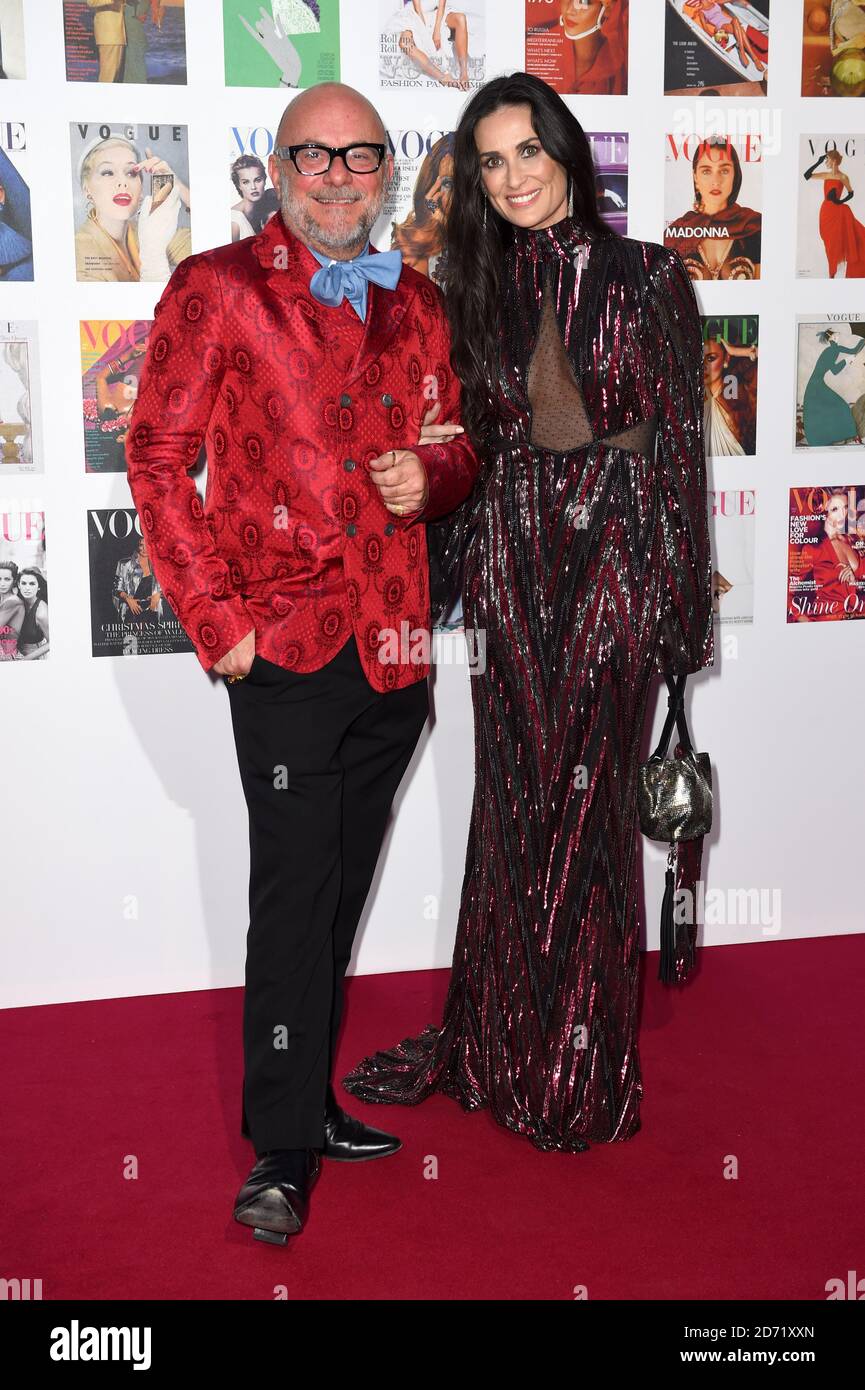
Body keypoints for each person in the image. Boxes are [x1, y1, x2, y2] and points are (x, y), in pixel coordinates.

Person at [125, 81, 479, 1242]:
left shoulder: (419, 301)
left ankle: (309, 1105)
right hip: (277, 646)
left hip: (392, 647)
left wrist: (435, 478)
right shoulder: (216, 289)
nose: (338, 175)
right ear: (275, 169)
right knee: (291, 898)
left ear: (387, 170)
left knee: (337, 889)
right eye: (312, 155)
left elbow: (456, 443)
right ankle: (280, 1147)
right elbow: (156, 453)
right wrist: (212, 615)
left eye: (360, 156)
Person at [342, 71, 714, 1154]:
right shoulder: (471, 292)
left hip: (610, 569)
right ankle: (504, 1040)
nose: (511, 178)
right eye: (490, 161)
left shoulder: (650, 277)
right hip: (511, 567)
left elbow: (678, 454)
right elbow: (467, 449)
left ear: (566, 152)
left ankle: (582, 1059)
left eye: (528, 153)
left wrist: (671, 613)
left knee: (590, 815)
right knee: (510, 806)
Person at [74, 135, 191, 282]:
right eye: (108, 172)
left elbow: (211, 244)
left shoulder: (145, 230)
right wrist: (153, 258)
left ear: (141, 187)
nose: (123, 183)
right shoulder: (78, 253)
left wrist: (177, 184)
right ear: (87, 190)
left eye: (131, 173)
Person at [86, 0, 127, 83]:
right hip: (108, 34)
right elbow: (91, 2)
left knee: (115, 74)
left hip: (117, 33)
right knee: (107, 76)